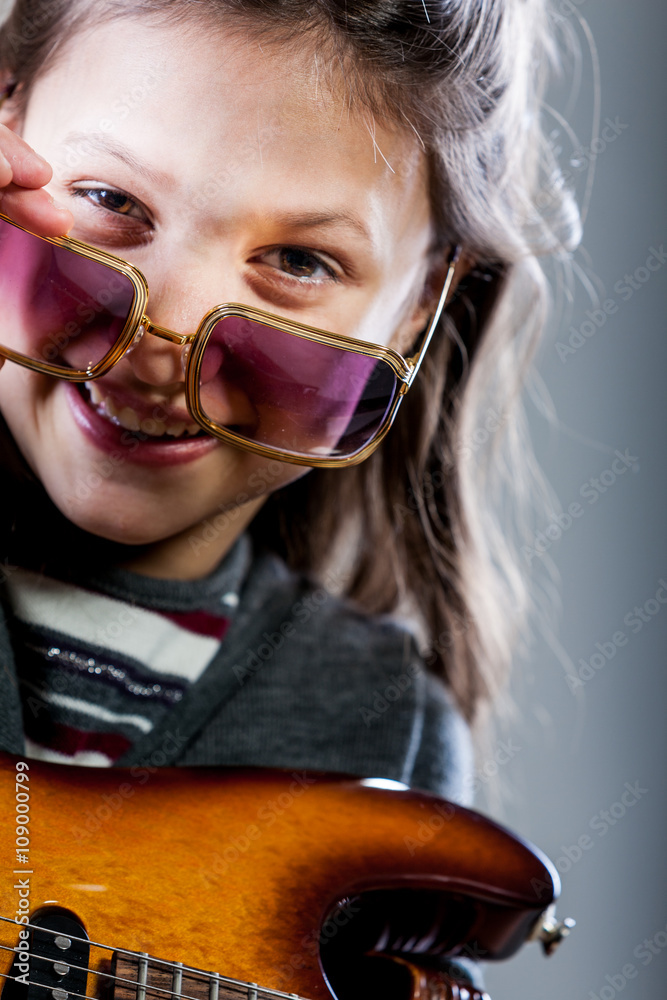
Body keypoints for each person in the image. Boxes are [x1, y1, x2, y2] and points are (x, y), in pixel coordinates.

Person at [0, 0, 580, 991]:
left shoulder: (380, 736)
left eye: (299, 261)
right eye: (111, 200)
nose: (167, 346)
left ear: (417, 307)